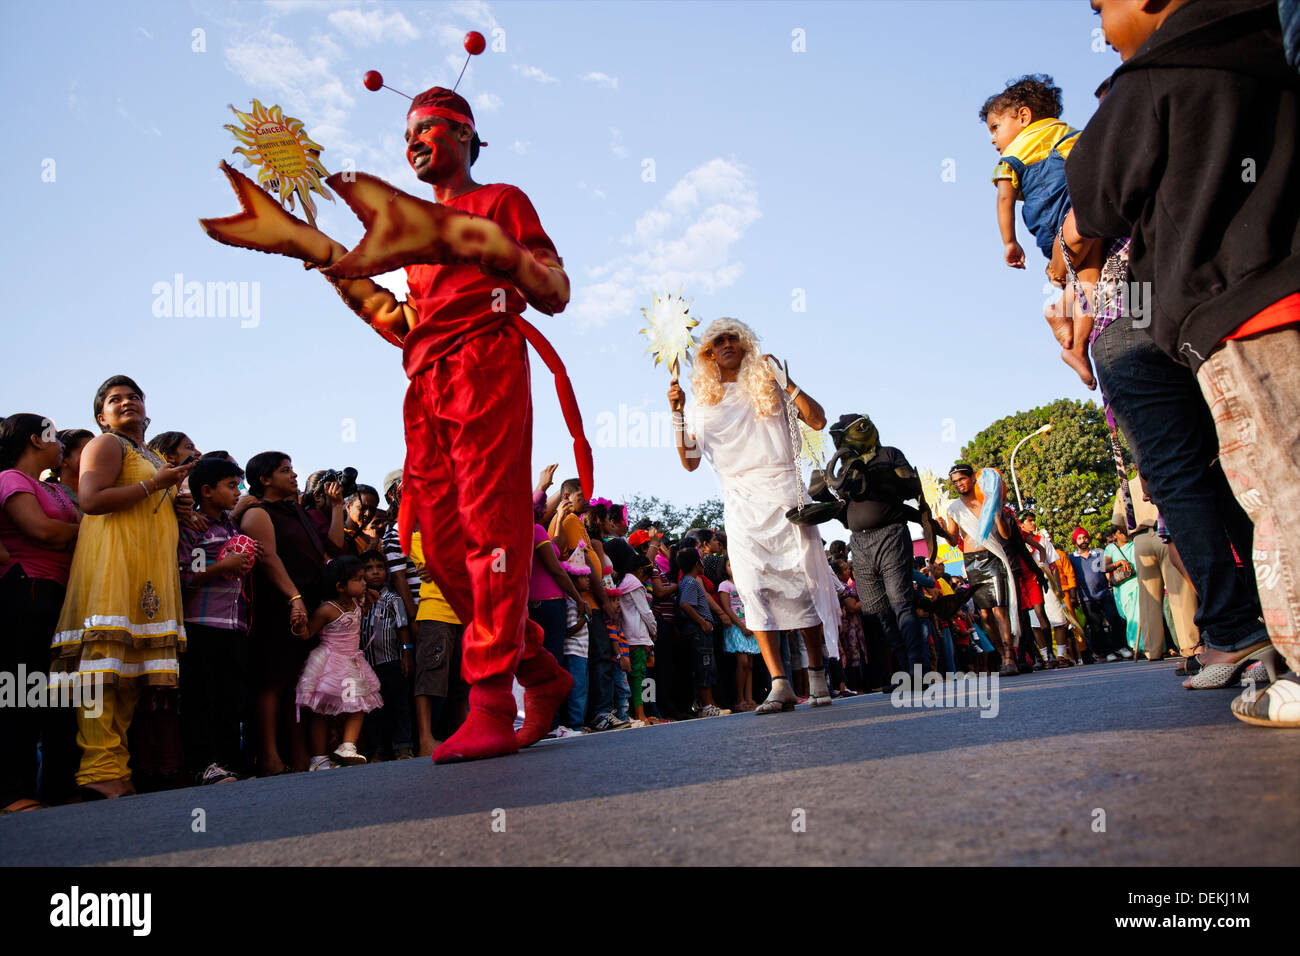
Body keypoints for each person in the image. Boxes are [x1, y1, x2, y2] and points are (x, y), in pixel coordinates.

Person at [1069, 0, 1298, 724]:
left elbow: (1095, 198)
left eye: (1103, 6)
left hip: (1222, 313)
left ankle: (1261, 645)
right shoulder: (1278, 49)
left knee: (1273, 490)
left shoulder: (1151, 78)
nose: (1101, 24)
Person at [669, 317, 840, 713]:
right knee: (753, 588)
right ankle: (779, 683)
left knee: (801, 586)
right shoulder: (702, 406)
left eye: (733, 337)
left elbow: (817, 420)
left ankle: (816, 676)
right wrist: (676, 413)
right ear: (708, 354)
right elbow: (691, 462)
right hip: (741, 502)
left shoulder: (768, 385)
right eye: (717, 341)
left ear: (744, 345)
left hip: (784, 496)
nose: (726, 344)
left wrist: (785, 380)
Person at [51, 376, 194, 799]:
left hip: (147, 569)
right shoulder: (106, 445)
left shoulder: (147, 453)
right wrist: (157, 485)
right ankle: (96, 769)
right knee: (102, 672)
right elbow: (91, 500)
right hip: (114, 565)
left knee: (130, 674)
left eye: (134, 396)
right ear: (101, 416)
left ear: (147, 409)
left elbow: (141, 500)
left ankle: (115, 765)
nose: (127, 402)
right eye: (115, 399)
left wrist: (177, 503)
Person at [980, 73, 1100, 388]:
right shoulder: (1067, 133)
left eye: (995, 127)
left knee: (1087, 279)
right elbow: (1091, 165)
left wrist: (1009, 241)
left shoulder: (1013, 155)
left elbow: (1004, 198)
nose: (993, 139)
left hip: (1049, 224)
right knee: (1089, 278)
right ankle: (1073, 336)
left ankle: (1072, 338)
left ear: (1023, 117)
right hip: (1079, 216)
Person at [0, 414, 80, 812]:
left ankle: (60, 786)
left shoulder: (53, 489)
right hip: (28, 589)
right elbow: (41, 531)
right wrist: (83, 532)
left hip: (62, 595)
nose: (60, 440)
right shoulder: (12, 480)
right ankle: (13, 792)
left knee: (63, 695)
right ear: (34, 439)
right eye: (51, 432)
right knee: (22, 691)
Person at [240, 452, 333, 776]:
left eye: (292, 469)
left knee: (298, 680)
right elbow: (268, 560)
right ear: (264, 479)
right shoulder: (257, 513)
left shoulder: (298, 511)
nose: (293, 475)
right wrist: (293, 598)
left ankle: (299, 755)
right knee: (272, 681)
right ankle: (268, 757)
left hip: (307, 602)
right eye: (285, 470)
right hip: (277, 604)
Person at [177, 456, 257, 785]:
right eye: (231, 485)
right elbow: (185, 575)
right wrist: (224, 566)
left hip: (232, 625)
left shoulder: (230, 527)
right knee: (201, 697)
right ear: (207, 491)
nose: (238, 490)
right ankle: (203, 765)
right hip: (200, 625)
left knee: (230, 698)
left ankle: (229, 763)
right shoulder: (195, 527)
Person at [297, 555, 384, 771]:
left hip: (352, 662)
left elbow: (363, 604)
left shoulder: (357, 602)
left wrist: (368, 597)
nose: (365, 583)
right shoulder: (327, 609)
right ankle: (318, 758)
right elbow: (308, 633)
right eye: (359, 580)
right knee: (321, 711)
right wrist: (299, 626)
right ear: (340, 586)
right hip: (329, 664)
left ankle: (347, 746)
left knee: (359, 705)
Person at [936, 463, 1021, 676]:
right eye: (955, 482)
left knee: (999, 609)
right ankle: (1002, 657)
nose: (959, 484)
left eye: (962, 479)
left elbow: (1006, 535)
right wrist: (943, 530)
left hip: (992, 558)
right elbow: (954, 541)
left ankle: (1010, 657)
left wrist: (997, 513)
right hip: (971, 561)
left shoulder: (988, 500)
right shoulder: (954, 509)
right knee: (985, 614)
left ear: (973, 478)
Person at [1111, 473, 1198, 660]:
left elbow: (1118, 522)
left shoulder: (1125, 487)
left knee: (1148, 596)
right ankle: (1189, 645)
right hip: (1164, 533)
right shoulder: (1158, 476)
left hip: (1140, 540)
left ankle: (1152, 649)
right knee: (1178, 592)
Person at [407, 530, 467, 756]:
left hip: (463, 613)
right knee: (430, 679)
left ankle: (462, 735)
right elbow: (439, 571)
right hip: (435, 613)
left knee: (461, 682)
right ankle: (426, 740)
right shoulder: (419, 537)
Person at [359, 549, 414, 760]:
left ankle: (403, 746)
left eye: (380, 567)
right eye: (369, 568)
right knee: (374, 710)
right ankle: (377, 750)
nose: (375, 572)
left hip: (392, 662)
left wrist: (407, 654)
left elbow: (402, 627)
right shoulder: (359, 601)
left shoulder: (393, 599)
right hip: (368, 666)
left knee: (399, 704)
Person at [1068, 527, 1130, 662]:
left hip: (1104, 593)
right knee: (1096, 626)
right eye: (1079, 538)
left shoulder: (1097, 554)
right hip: (1087, 597)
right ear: (1075, 542)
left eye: (1084, 537)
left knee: (1114, 618)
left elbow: (1105, 569)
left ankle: (1120, 647)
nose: (1083, 540)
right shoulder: (1072, 558)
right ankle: (1106, 652)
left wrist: (1116, 564)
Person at [719, 557, 760, 711]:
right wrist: (741, 626)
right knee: (742, 662)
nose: (733, 567)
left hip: (750, 626)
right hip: (737, 628)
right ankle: (740, 699)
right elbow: (727, 607)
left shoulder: (745, 584)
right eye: (730, 565)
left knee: (750, 664)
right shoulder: (725, 585)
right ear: (725, 568)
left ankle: (749, 699)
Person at [1103, 528, 1141, 653]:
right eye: (1120, 532)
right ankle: (1135, 645)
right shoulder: (1111, 548)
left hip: (1139, 584)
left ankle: (1146, 646)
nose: (1124, 534)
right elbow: (1104, 567)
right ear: (1115, 535)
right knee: (1131, 617)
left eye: (1125, 531)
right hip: (1123, 587)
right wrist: (1118, 563)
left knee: (1141, 614)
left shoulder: (1135, 543)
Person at [49, 428, 94, 511]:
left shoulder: (103, 493)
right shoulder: (50, 497)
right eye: (88, 452)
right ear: (63, 459)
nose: (97, 457)